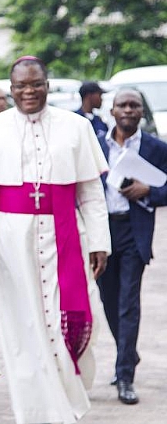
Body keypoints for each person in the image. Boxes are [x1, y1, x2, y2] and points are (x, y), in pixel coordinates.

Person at [0, 56, 111, 424]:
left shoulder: (76, 127)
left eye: (36, 84)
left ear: (47, 84)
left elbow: (90, 192)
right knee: (21, 323)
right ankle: (35, 411)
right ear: (11, 89)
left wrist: (99, 242)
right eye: (21, 86)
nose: (29, 92)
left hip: (67, 235)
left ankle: (69, 395)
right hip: (12, 239)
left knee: (75, 315)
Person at [97, 89, 167, 405]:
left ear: (141, 112)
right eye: (122, 105)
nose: (128, 109)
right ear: (112, 111)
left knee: (129, 304)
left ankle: (125, 375)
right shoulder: (96, 145)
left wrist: (150, 190)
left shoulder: (156, 147)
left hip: (133, 230)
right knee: (109, 301)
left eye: (134, 105)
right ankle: (130, 353)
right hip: (101, 231)